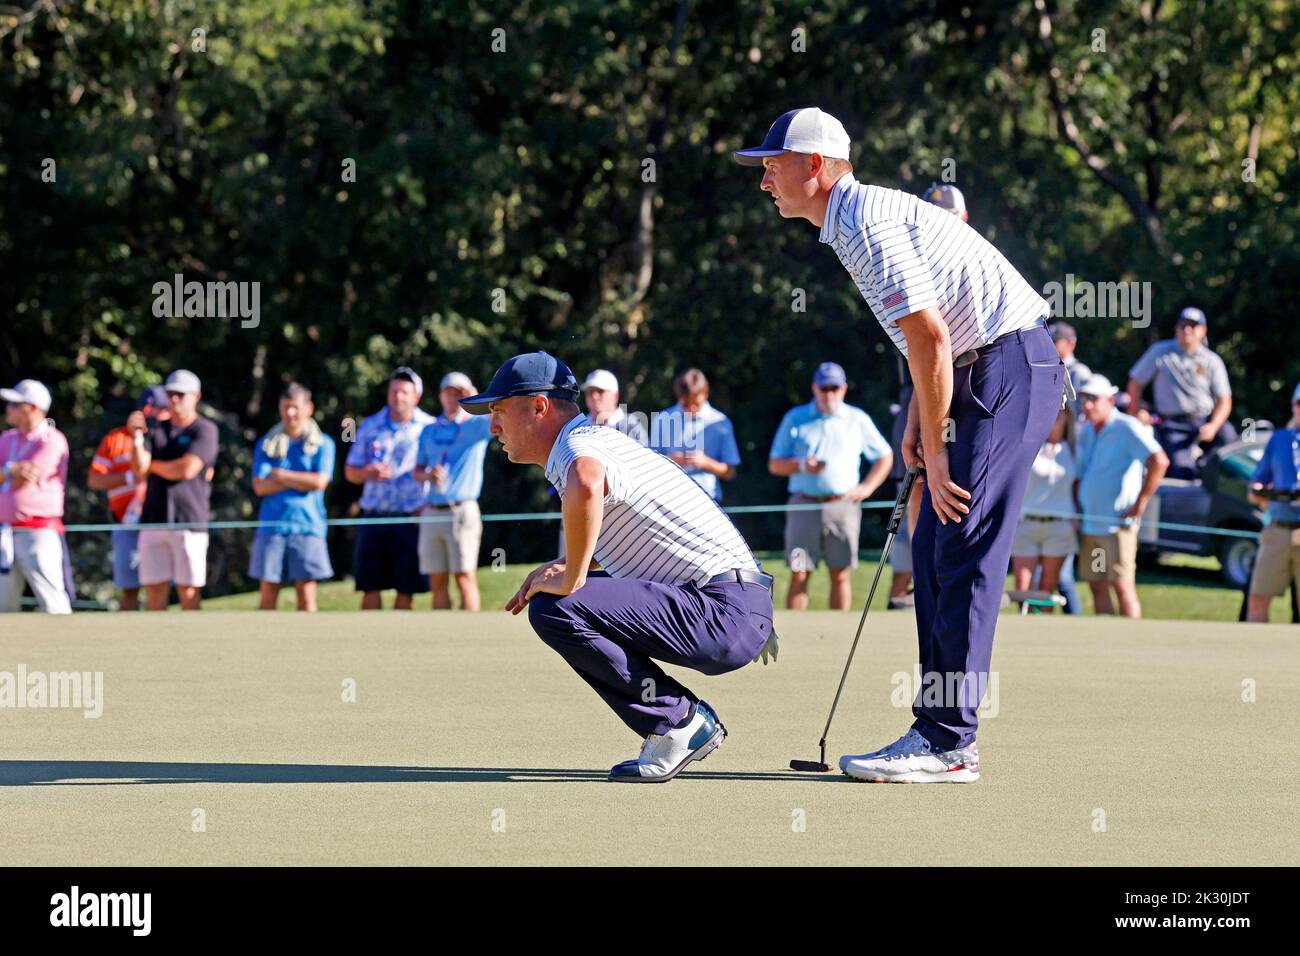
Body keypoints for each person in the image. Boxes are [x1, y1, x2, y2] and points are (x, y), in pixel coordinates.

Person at [736, 106, 1064, 782]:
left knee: (962, 537)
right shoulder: (855, 220)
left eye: (772, 165)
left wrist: (938, 445)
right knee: (939, 545)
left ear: (815, 168)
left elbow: (934, 339)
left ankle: (949, 742)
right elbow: (930, 336)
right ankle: (938, 731)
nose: (764, 180)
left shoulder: (864, 224)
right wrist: (921, 418)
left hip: (1007, 367)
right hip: (984, 366)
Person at [461, 352, 777, 783]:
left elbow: (589, 482)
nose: (493, 426)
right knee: (560, 597)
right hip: (732, 605)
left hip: (723, 610)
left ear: (539, 405)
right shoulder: (590, 439)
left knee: (557, 607)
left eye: (498, 410)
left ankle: (679, 723)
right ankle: (678, 720)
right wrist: (568, 564)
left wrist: (572, 575)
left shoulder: (579, 445)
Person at [768, 361, 892, 610]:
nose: (829, 394)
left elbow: (885, 456)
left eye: (834, 388)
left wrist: (866, 488)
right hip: (804, 505)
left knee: (840, 573)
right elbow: (775, 464)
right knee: (800, 572)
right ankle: (796, 637)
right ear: (815, 388)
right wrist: (802, 465)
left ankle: (839, 639)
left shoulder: (857, 419)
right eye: (824, 388)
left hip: (842, 506)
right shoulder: (796, 418)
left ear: (844, 389)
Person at [1075, 374, 1169, 618]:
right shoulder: (1087, 430)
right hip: (1091, 526)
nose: (1087, 405)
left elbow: (1159, 461)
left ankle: (1130, 643)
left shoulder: (1127, 427)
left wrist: (1140, 504)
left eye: (1094, 399)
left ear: (1110, 400)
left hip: (1118, 526)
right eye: (1085, 399)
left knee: (1122, 585)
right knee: (1097, 585)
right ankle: (1103, 642)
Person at [344, 367, 435, 610]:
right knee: (369, 586)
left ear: (416, 397)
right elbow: (350, 472)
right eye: (394, 390)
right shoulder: (369, 425)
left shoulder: (431, 427)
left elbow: (443, 472)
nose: (399, 396)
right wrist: (368, 473)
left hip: (412, 518)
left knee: (406, 589)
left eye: (405, 392)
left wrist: (429, 505)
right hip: (374, 517)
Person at [130, 370, 220, 611]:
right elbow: (139, 468)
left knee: (188, 591)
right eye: (170, 394)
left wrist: (153, 466)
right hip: (153, 521)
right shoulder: (156, 429)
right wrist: (137, 437)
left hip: (189, 521)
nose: (175, 399)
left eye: (181, 394)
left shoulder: (205, 430)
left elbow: (187, 469)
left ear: (196, 396)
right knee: (154, 591)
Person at [249, 383, 336, 611]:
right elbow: (260, 487)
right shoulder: (267, 443)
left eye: (295, 407)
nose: (290, 413)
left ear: (309, 408)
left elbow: (319, 482)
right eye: (285, 407)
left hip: (308, 527)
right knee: (267, 597)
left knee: (306, 598)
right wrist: (301, 480)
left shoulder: (324, 444)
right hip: (272, 527)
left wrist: (280, 475)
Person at [1127, 306, 1237, 479]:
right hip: (1173, 424)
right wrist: (1135, 411)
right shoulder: (1160, 352)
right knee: (1182, 470)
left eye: (1193, 326)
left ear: (1203, 331)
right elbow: (1135, 383)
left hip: (1204, 419)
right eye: (1183, 325)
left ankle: (1208, 469)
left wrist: (1213, 426)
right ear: (1176, 328)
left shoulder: (1211, 360)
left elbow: (1224, 401)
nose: (1187, 330)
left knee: (1231, 443)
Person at [414, 372, 492, 611]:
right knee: (436, 580)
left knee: (464, 576)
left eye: (459, 393)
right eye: (449, 392)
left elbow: (496, 417)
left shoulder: (476, 425)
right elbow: (417, 470)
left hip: (462, 509)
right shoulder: (429, 430)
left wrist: (475, 399)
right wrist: (428, 475)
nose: (453, 398)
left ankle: (470, 638)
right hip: (432, 510)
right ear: (441, 396)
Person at [87, 385, 170, 611]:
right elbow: (95, 480)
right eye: (152, 408)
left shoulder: (171, 435)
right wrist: (129, 477)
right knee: (129, 588)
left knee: (161, 587)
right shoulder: (116, 438)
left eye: (163, 409)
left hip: (163, 522)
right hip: (127, 523)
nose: (158, 414)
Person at [0, 379, 72, 614]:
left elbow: (26, 477)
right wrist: (11, 469)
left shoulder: (52, 439)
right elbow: (16, 474)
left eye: (14, 404)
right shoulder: (7, 438)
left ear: (31, 407)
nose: (8, 408)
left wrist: (6, 473)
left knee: (53, 604)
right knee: (3, 606)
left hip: (39, 532)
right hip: (5, 533)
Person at [1010, 409, 1077, 611]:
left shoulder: (1075, 449)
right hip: (1026, 523)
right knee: (1023, 587)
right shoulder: (1029, 445)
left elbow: (1077, 487)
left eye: (1061, 411)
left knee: (1048, 587)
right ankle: (1023, 629)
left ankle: (1041, 629)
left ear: (1067, 417)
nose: (1056, 414)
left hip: (1059, 526)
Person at [1245, 383, 1300, 622]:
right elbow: (1257, 483)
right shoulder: (1279, 439)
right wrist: (1258, 491)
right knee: (1257, 598)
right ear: (1293, 406)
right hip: (1277, 528)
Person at [649, 369, 741, 502]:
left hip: (708, 500)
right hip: (668, 499)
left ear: (706, 394)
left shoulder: (721, 422)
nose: (691, 408)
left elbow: (730, 472)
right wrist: (670, 461)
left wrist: (705, 462)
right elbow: (650, 466)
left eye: (696, 404)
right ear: (678, 396)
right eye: (686, 404)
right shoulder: (663, 419)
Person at [580, 370, 648, 444]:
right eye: (590, 392)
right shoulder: (579, 427)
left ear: (616, 395)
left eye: (600, 391)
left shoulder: (631, 426)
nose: (594, 396)